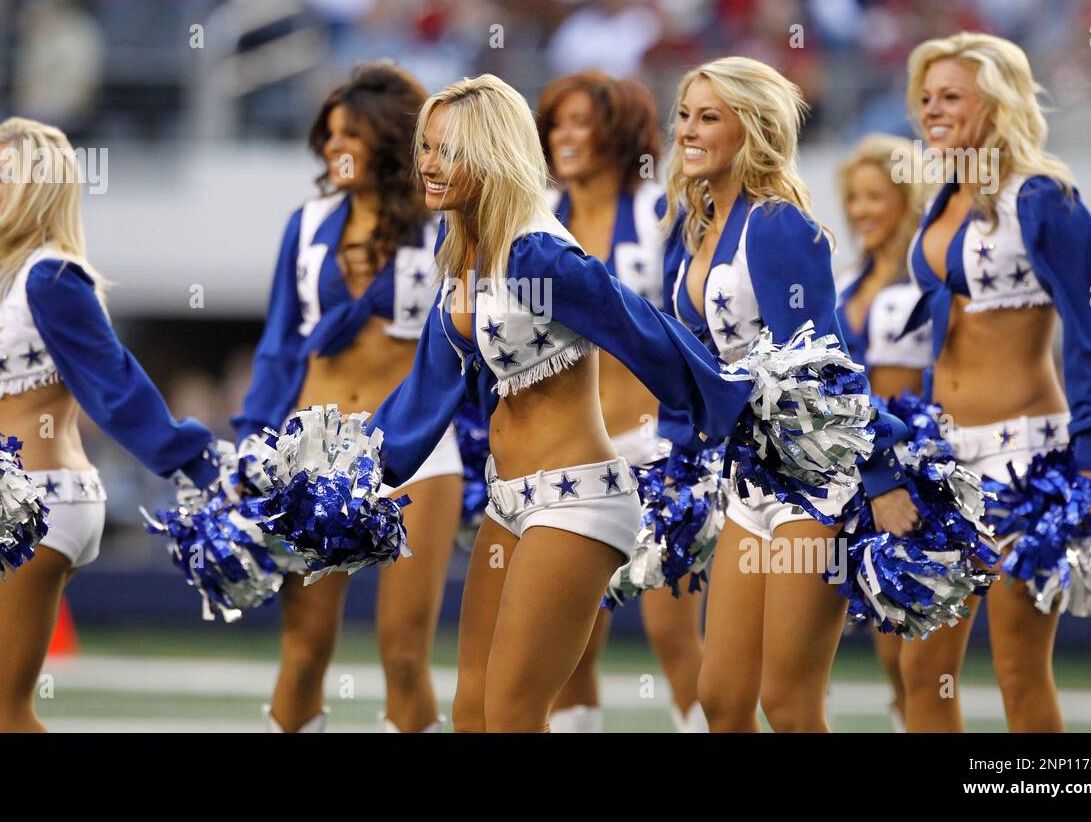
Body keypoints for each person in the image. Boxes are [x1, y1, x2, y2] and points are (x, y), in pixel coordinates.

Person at [367, 73, 767, 732]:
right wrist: (343, 480)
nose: (429, 166)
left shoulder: (537, 253)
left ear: (492, 154)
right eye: (427, 148)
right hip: (507, 499)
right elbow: (426, 391)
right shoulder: (464, 252)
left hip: (577, 498)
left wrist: (732, 407)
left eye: (448, 150)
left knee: (515, 711)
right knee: (473, 707)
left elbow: (643, 327)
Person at [0, 117, 225, 732]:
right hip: (6, 503)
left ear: (38, 187)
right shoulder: (11, 278)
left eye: (1, 177)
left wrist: (191, 458)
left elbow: (114, 384)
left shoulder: (52, 277)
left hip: (41, 501)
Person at [655, 56, 915, 732]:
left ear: (753, 130)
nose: (687, 130)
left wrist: (883, 475)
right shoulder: (695, 232)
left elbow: (827, 361)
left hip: (814, 483)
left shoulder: (774, 225)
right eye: (684, 114)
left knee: (790, 704)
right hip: (747, 484)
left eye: (709, 117)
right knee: (721, 695)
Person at [896, 32, 1091, 732]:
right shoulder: (941, 198)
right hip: (943, 461)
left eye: (952, 97)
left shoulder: (1041, 198)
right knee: (923, 669)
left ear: (996, 104)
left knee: (1017, 666)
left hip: (1024, 458)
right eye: (927, 98)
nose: (933, 111)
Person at [232, 63, 463, 734]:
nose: (336, 147)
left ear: (390, 142)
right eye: (329, 132)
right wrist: (252, 440)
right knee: (304, 652)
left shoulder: (444, 226)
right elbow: (279, 346)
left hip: (415, 452)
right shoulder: (305, 226)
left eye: (352, 134)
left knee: (403, 653)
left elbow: (467, 346)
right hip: (313, 452)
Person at [537, 71, 706, 733]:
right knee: (570, 642)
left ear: (620, 131)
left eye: (581, 121)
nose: (565, 135)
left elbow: (694, 321)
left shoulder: (663, 209)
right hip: (573, 449)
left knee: (671, 629)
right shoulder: (537, 213)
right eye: (556, 122)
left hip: (655, 442)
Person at [834, 133, 934, 730]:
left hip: (918, 468)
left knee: (918, 656)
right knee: (888, 648)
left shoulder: (933, 279)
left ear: (908, 199)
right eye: (854, 198)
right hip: (857, 467)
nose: (861, 210)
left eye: (876, 197)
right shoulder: (845, 279)